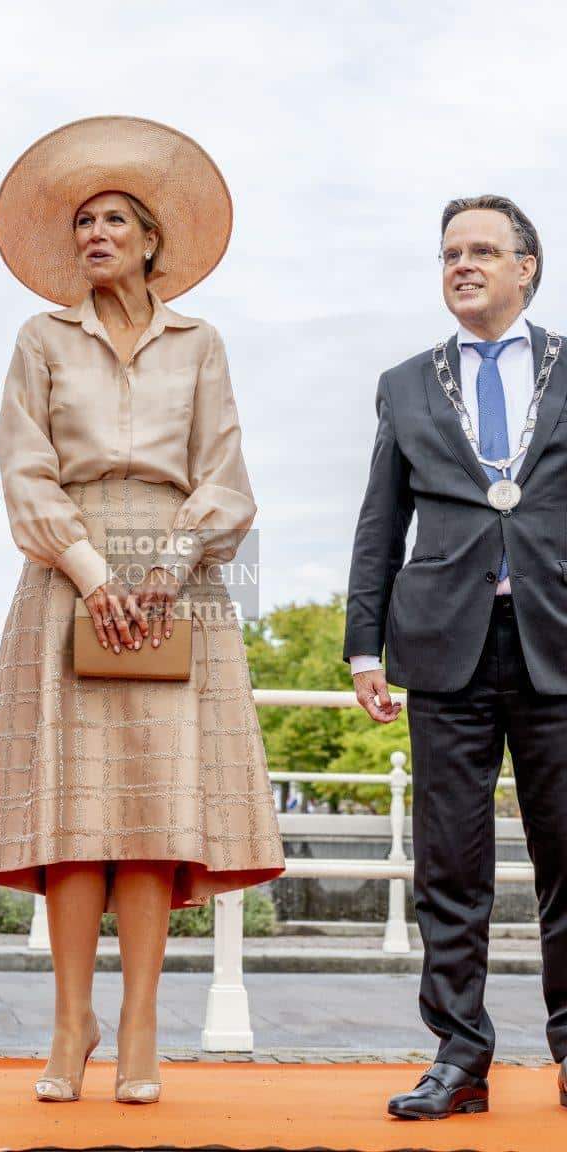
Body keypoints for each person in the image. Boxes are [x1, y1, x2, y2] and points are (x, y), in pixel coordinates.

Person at [0, 116, 284, 1106]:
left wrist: (172, 562)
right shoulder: (39, 339)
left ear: (152, 239)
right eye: (83, 222)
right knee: (75, 816)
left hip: (178, 581)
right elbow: (26, 475)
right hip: (68, 576)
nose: (95, 234)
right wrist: (99, 574)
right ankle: (72, 1025)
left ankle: (142, 1024)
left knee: (151, 814)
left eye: (114, 220)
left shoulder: (202, 344)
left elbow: (227, 477)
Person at [343, 195, 567, 1119]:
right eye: (448, 253)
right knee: (448, 865)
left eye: (482, 250)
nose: (461, 264)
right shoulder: (404, 383)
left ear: (528, 267)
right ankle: (459, 1057)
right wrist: (364, 645)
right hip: (442, 647)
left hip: (558, 640)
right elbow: (379, 522)